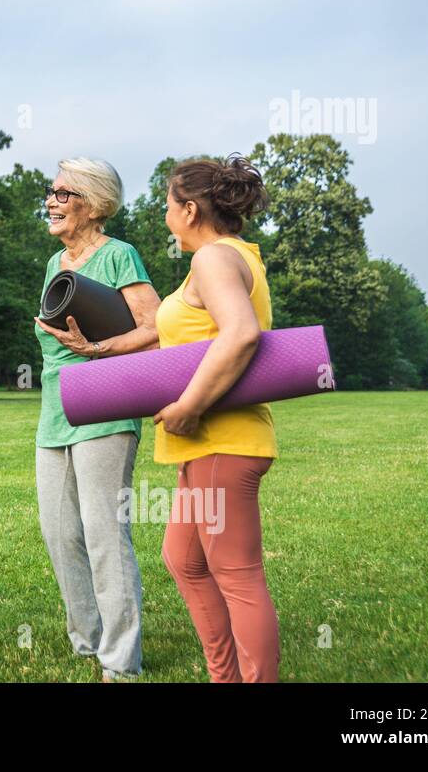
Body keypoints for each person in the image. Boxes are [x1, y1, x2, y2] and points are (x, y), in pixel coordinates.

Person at [152, 153, 279, 682]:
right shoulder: (229, 255)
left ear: (187, 210)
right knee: (184, 560)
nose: (164, 217)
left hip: (220, 440)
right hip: (205, 448)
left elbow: (241, 333)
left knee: (237, 574)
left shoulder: (213, 259)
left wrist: (189, 406)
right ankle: (224, 676)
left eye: (166, 207)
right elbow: (193, 334)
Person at [33, 158, 161, 681]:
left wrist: (97, 348)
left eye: (63, 193)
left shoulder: (119, 255)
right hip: (55, 407)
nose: (52, 201)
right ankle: (87, 639)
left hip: (106, 401)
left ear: (92, 202)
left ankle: (121, 659)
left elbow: (156, 326)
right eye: (52, 191)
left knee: (104, 531)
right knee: (59, 532)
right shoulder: (54, 263)